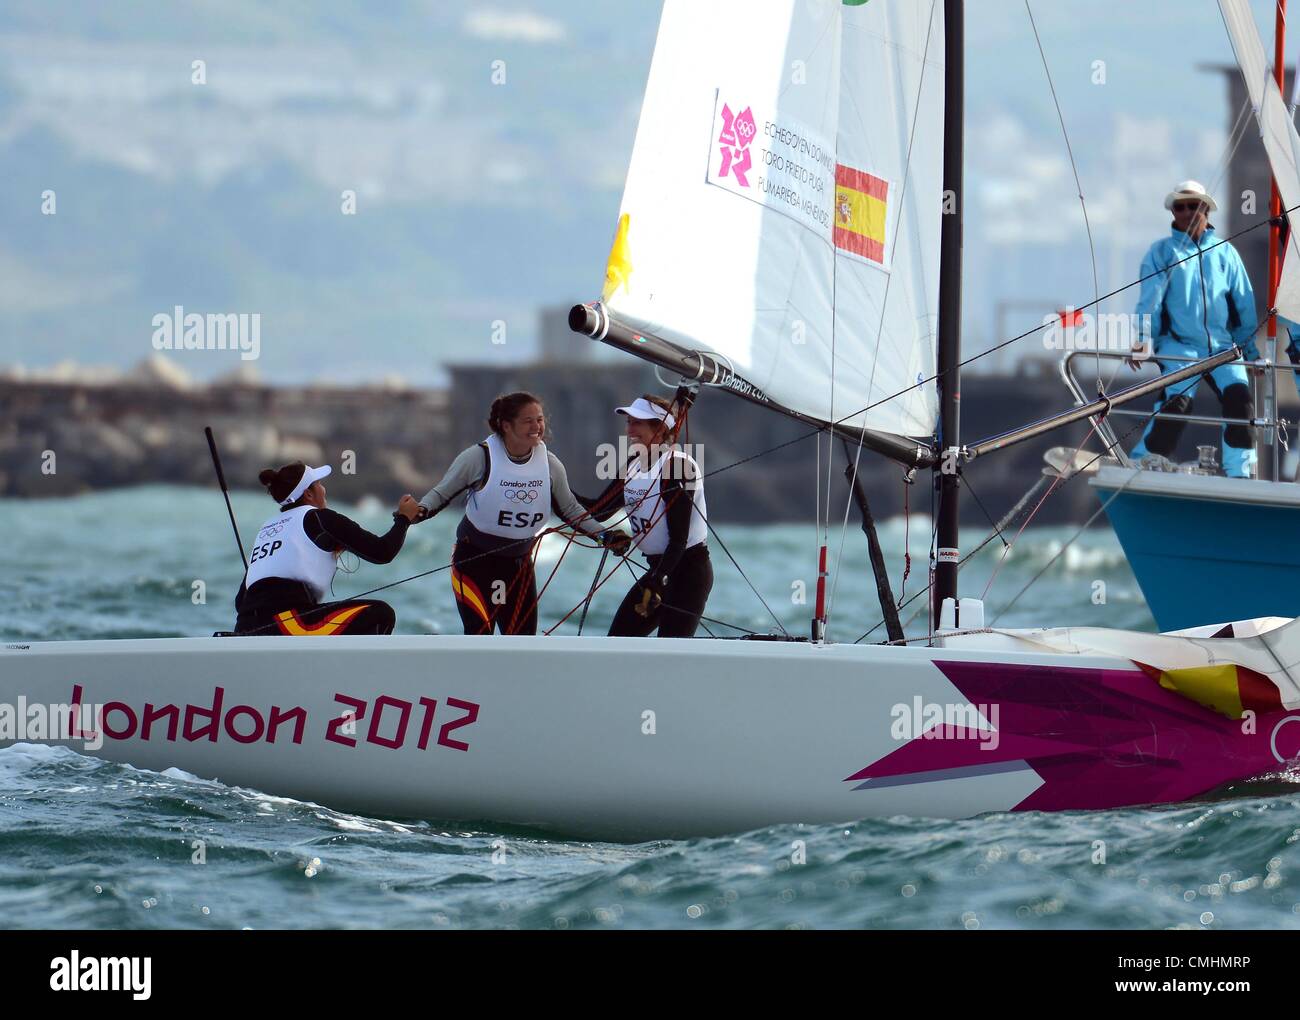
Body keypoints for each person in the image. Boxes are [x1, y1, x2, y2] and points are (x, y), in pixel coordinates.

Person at [416, 391, 630, 635]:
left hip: (518, 566)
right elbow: (441, 494)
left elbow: (570, 508)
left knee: (523, 641)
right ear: (506, 425)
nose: (537, 426)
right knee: (479, 635)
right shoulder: (479, 458)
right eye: (528, 420)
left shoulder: (550, 464)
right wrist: (418, 511)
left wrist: (605, 536)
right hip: (474, 562)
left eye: (539, 419)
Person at [1126, 180, 1259, 478]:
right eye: (1179, 206)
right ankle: (1145, 461)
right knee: (1178, 403)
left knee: (1240, 399)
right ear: (1173, 211)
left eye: (1193, 205)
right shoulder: (1160, 253)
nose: (1186, 212)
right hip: (1179, 345)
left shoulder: (1226, 253)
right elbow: (1149, 303)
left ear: (1207, 210)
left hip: (1224, 348)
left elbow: (1244, 306)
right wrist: (1143, 341)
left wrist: (1250, 351)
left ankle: (1240, 473)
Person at [579, 395, 712, 638]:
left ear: (660, 428)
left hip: (687, 574)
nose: (629, 430)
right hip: (658, 571)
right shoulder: (633, 464)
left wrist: (658, 580)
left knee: (669, 654)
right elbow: (599, 510)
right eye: (628, 422)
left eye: (637, 423)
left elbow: (679, 540)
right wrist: (555, 489)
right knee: (618, 643)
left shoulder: (677, 466)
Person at [235, 462, 420, 635]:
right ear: (308, 494)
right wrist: (404, 519)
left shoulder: (267, 529)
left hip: (244, 628)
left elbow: (240, 602)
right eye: (319, 484)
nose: (324, 490)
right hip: (287, 625)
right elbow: (383, 551)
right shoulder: (320, 518)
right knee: (381, 614)